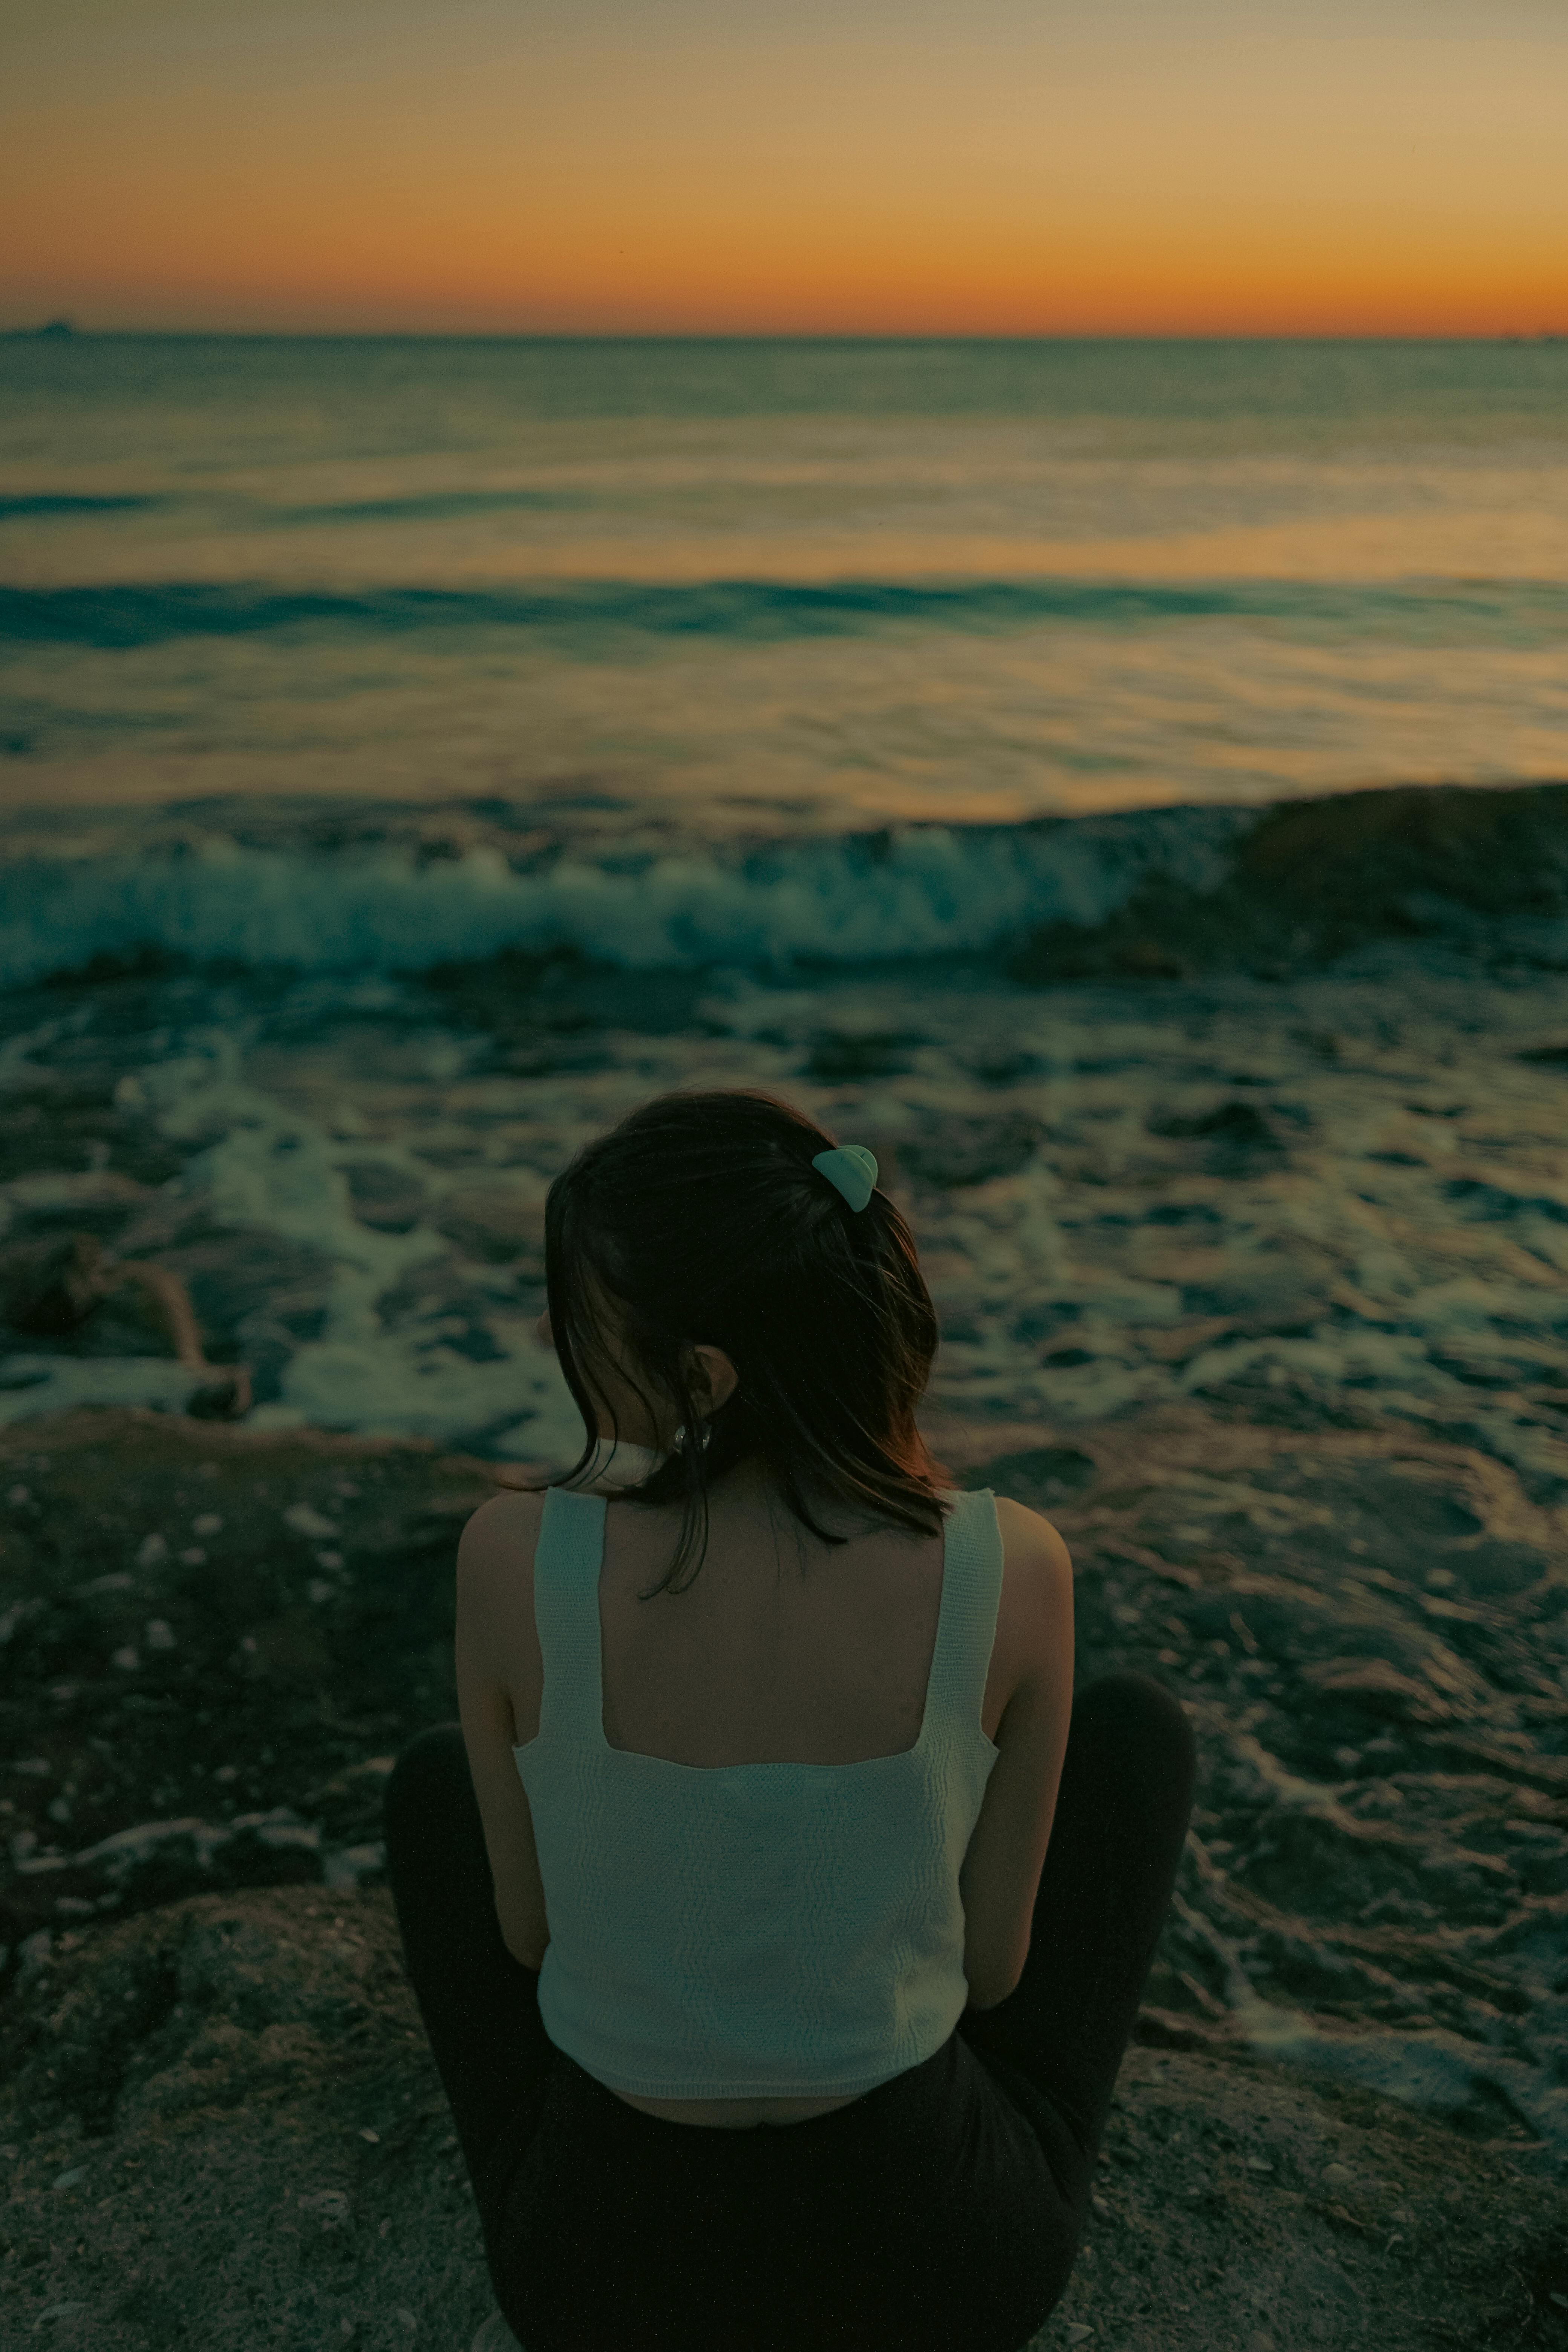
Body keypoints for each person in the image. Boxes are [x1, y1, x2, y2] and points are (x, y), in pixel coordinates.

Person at [383, 1088, 1197, 2352]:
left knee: (435, 1782)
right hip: (935, 2278)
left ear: (703, 1376)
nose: (558, 1337)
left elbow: (531, 1938)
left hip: (604, 2289)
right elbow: (992, 1973)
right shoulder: (1013, 1565)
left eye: (582, 1321)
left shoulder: (511, 1557)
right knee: (1138, 1732)